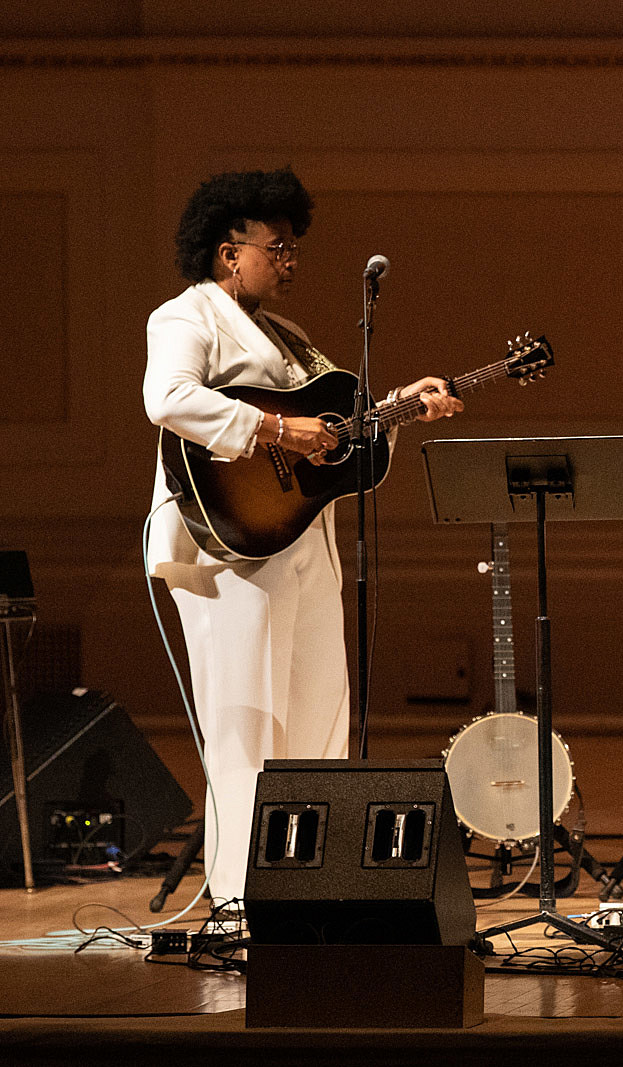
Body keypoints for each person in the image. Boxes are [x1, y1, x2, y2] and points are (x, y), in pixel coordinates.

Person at [143, 167, 463, 908]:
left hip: (301, 536)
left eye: (294, 247)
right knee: (246, 716)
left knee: (321, 710)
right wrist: (277, 428)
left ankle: (312, 884)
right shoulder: (184, 317)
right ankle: (235, 899)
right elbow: (168, 398)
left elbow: (330, 425)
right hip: (229, 543)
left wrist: (399, 405)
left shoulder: (286, 334)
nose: (291, 261)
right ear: (230, 251)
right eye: (278, 247)